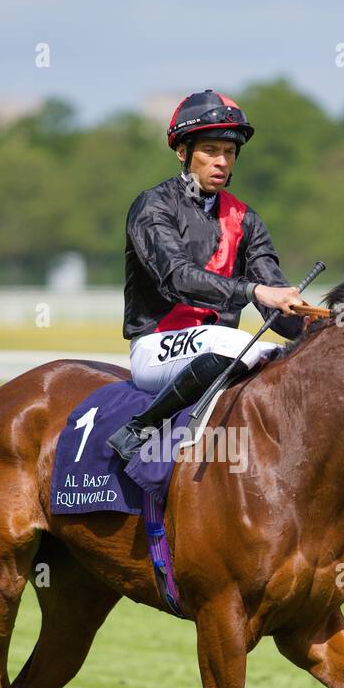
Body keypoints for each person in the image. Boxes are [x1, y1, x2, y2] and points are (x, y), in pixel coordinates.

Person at [107, 89, 304, 461]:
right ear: (183, 152)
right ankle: (140, 428)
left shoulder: (247, 219)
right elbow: (178, 278)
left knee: (283, 355)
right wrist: (256, 292)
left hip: (223, 348)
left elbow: (275, 300)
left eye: (229, 152)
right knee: (230, 342)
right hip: (157, 347)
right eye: (210, 150)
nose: (221, 162)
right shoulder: (152, 206)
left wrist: (319, 329)